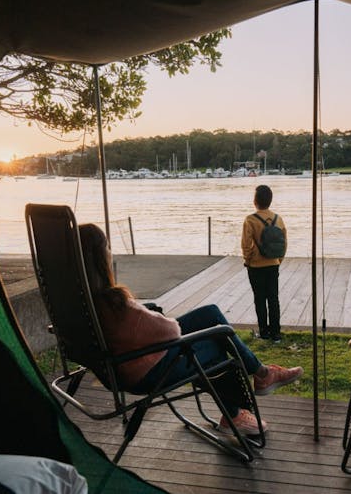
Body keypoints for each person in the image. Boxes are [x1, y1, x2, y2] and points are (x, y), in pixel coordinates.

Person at [78, 222, 303, 436]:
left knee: (210, 314)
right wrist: (151, 315)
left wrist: (145, 312)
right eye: (107, 246)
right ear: (99, 258)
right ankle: (237, 409)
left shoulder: (77, 301)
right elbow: (171, 332)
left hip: (120, 365)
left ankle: (261, 376)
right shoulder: (113, 303)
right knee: (217, 340)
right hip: (146, 372)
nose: (110, 251)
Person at [241, 184, 287, 342]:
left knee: (259, 299)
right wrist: (278, 259)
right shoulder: (278, 219)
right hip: (273, 264)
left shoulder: (250, 220)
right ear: (270, 200)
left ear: (255, 201)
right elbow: (284, 242)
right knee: (273, 298)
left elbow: (246, 245)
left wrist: (248, 260)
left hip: (256, 266)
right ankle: (276, 333)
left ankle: (264, 332)